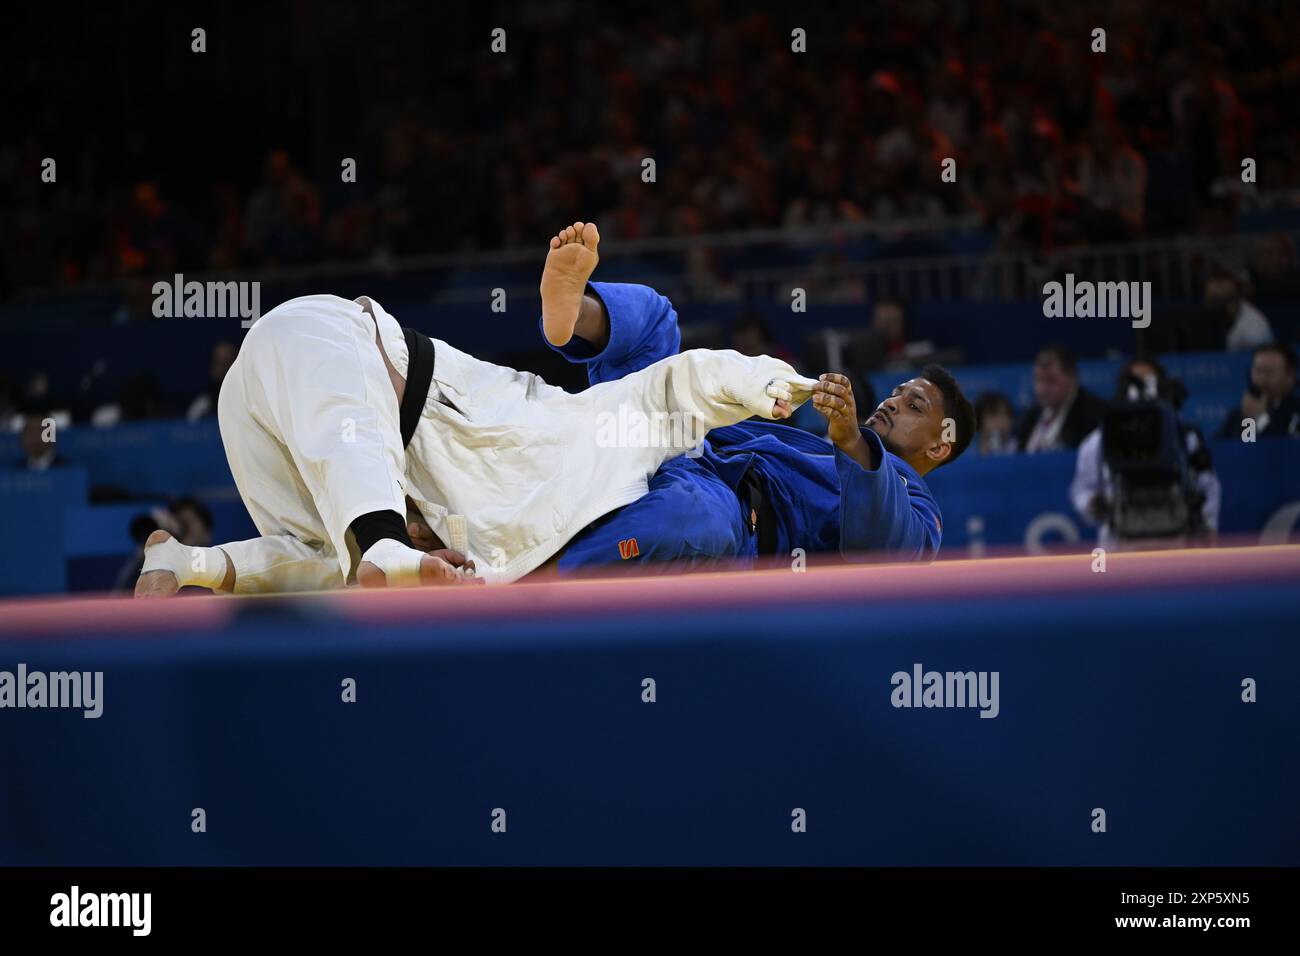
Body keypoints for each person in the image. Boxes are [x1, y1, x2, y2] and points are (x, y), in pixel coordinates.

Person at [135, 222, 811, 596]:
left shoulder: (476, 524)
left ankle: (178, 560)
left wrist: (200, 568)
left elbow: (304, 559)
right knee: (361, 479)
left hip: (256, 415)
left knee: (323, 568)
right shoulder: (585, 445)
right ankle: (574, 315)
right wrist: (776, 382)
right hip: (335, 341)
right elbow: (686, 378)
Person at [523, 276, 973, 573]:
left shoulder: (920, 511)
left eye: (914, 405)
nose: (893, 403)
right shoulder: (815, 443)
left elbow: (885, 556)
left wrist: (853, 442)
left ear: (940, 446)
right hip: (683, 447)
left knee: (693, 520)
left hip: (736, 515)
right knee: (657, 320)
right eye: (896, 393)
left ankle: (529, 577)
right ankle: (572, 312)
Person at [1016, 345, 1107, 453]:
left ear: (1073, 377)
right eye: (1039, 379)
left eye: (1051, 380)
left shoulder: (1094, 414)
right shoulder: (1030, 417)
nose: (1043, 388)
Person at [1217, 342, 1300, 439]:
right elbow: (1245, 447)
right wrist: (1250, 420)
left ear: (1290, 376)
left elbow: (1282, 449)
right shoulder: (1237, 416)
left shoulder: (1295, 412)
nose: (1262, 380)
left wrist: (1260, 418)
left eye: (1269, 372)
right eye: (1257, 371)